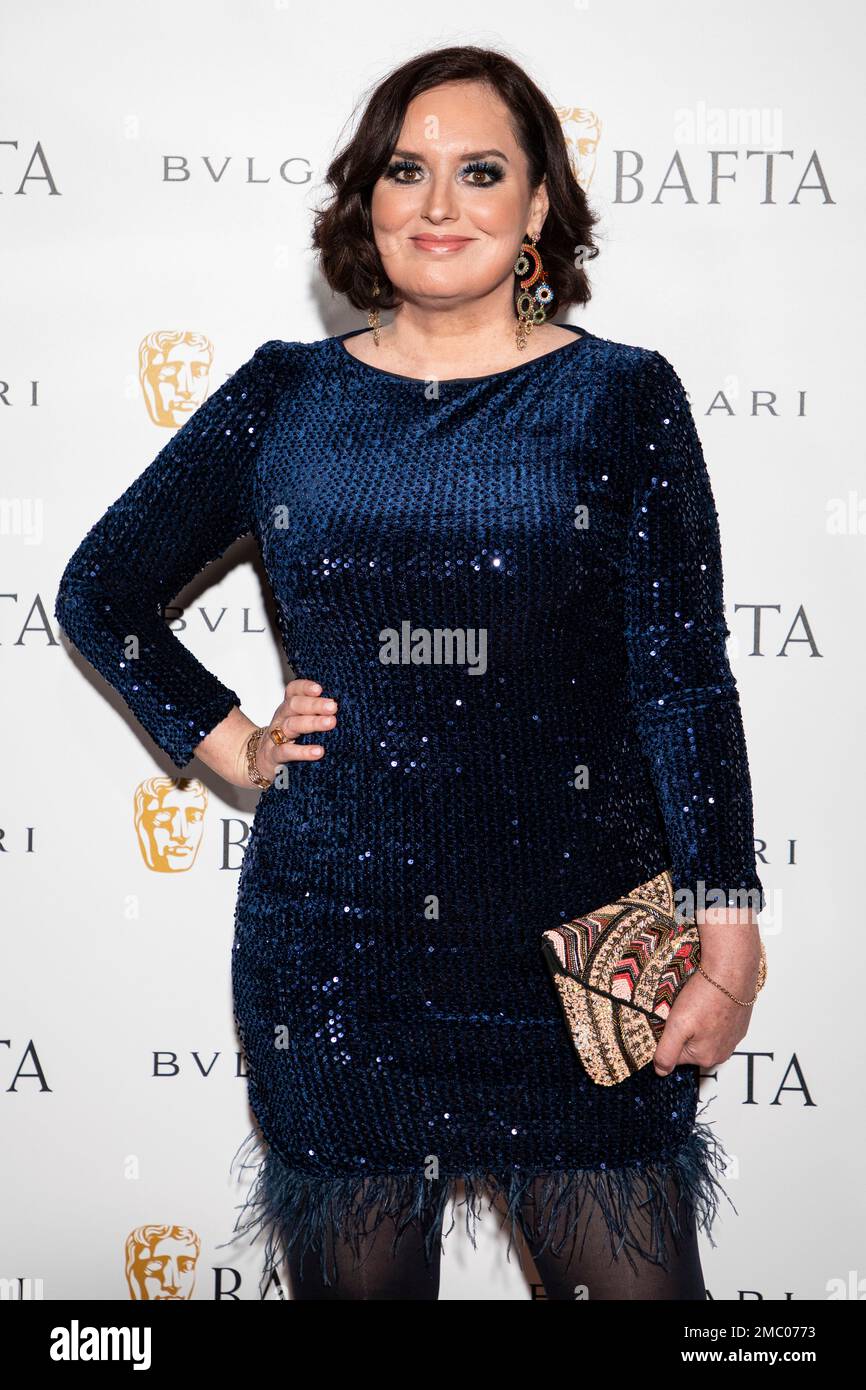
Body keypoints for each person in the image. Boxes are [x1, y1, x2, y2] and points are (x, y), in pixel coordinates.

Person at [54, 44, 766, 1301]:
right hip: (340, 952)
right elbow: (101, 593)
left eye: (478, 171)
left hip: (586, 944)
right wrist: (232, 738)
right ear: (366, 203)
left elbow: (683, 678)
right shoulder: (285, 396)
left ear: (537, 203)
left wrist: (727, 923)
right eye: (406, 170)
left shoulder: (618, 397)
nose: (439, 206)